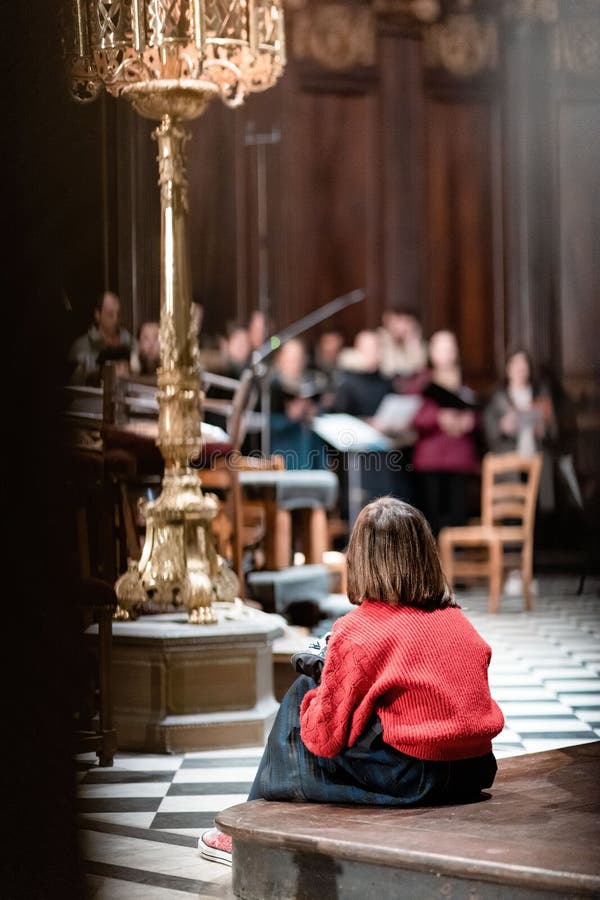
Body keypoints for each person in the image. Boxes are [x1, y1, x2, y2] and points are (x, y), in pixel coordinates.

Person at [199, 498, 504, 866]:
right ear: (426, 553)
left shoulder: (359, 629)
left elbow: (324, 738)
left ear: (359, 559)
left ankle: (245, 836)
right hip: (474, 771)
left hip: (416, 777)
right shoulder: (457, 620)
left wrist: (323, 679)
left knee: (300, 697)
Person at [410, 330, 480, 535]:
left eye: (450, 348)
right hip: (431, 459)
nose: (446, 354)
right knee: (431, 521)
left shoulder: (464, 380)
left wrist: (470, 421)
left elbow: (479, 413)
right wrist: (438, 418)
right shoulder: (422, 382)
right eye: (441, 349)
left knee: (458, 519)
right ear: (432, 352)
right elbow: (412, 416)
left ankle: (457, 563)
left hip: (459, 458)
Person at [484, 348, 557, 511]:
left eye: (523, 364)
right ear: (508, 369)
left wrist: (543, 430)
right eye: (515, 364)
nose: (520, 368)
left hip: (537, 463)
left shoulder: (540, 394)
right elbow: (488, 434)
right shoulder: (498, 397)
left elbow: (554, 431)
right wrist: (502, 426)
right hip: (510, 467)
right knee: (514, 513)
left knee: (541, 515)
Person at [67, 290, 136, 385]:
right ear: (97, 315)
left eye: (118, 314)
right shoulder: (81, 346)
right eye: (110, 314)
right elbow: (72, 385)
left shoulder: (128, 340)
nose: (116, 320)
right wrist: (99, 374)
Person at [378, 307, 428, 382]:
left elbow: (418, 368)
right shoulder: (381, 339)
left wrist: (411, 341)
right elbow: (388, 370)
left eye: (405, 322)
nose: (400, 326)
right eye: (396, 322)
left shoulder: (417, 343)